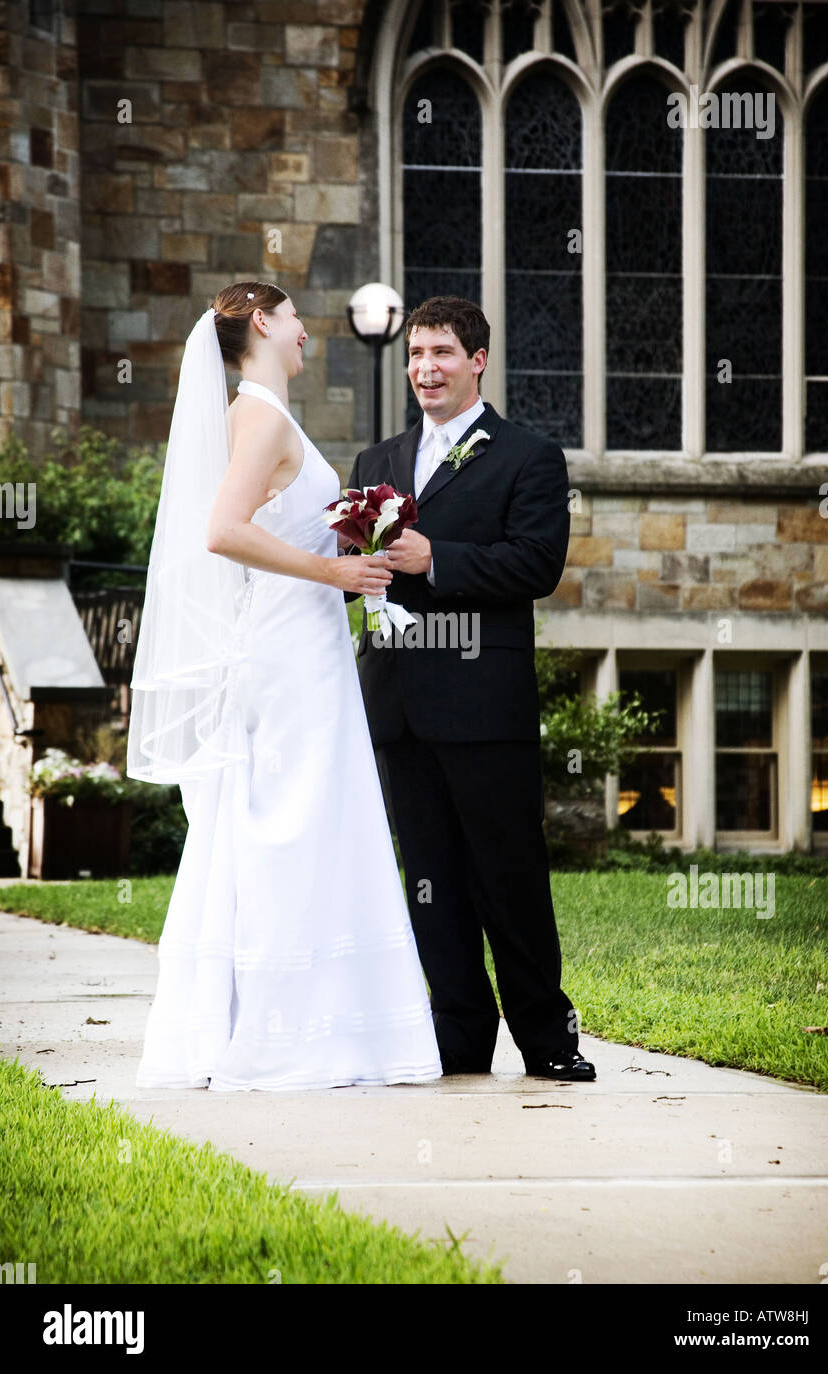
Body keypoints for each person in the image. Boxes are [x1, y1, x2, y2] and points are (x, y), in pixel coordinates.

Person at [126, 281, 442, 1091]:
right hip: (289, 649)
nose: (307, 331)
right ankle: (287, 1032)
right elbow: (224, 531)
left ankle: (289, 1021)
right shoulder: (260, 413)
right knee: (297, 822)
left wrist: (347, 549)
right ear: (264, 322)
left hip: (301, 641)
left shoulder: (259, 410)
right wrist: (332, 566)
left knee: (300, 818)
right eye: (296, 317)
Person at [346, 295, 596, 1082]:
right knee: (430, 883)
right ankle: (458, 1035)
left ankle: (547, 1039)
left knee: (508, 878)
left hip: (485, 710)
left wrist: (437, 559)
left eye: (442, 353)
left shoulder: (528, 456)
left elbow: (536, 565)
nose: (426, 368)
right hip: (399, 710)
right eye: (418, 354)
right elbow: (361, 581)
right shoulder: (375, 463)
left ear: (477, 360)